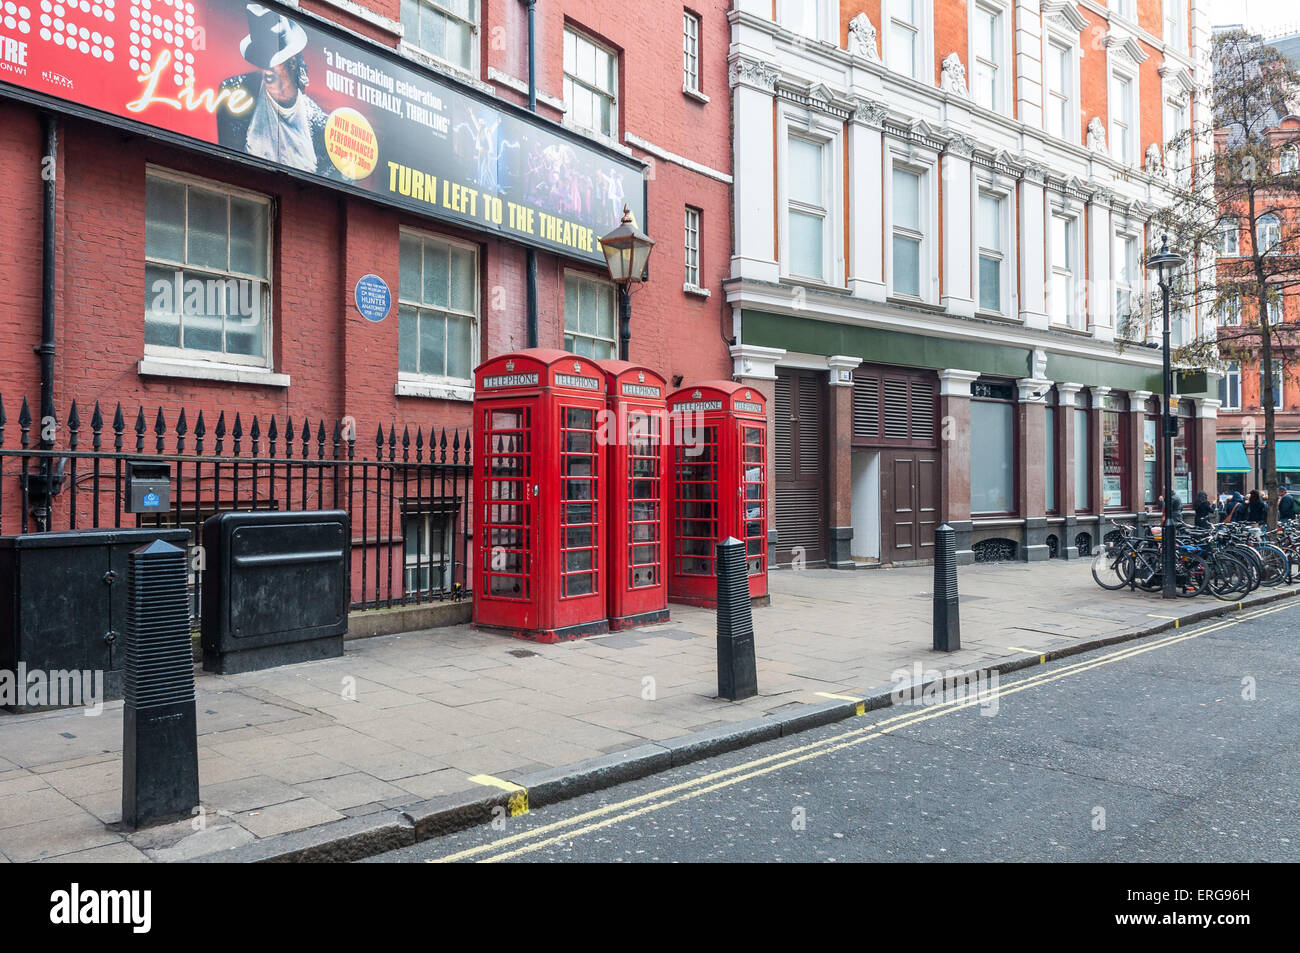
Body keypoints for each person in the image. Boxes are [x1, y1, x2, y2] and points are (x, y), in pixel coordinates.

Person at [216, 4, 337, 179]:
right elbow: (228, 164)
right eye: (262, 60)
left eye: (274, 60)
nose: (267, 71)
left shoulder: (321, 127)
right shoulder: (235, 93)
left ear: (293, 63)